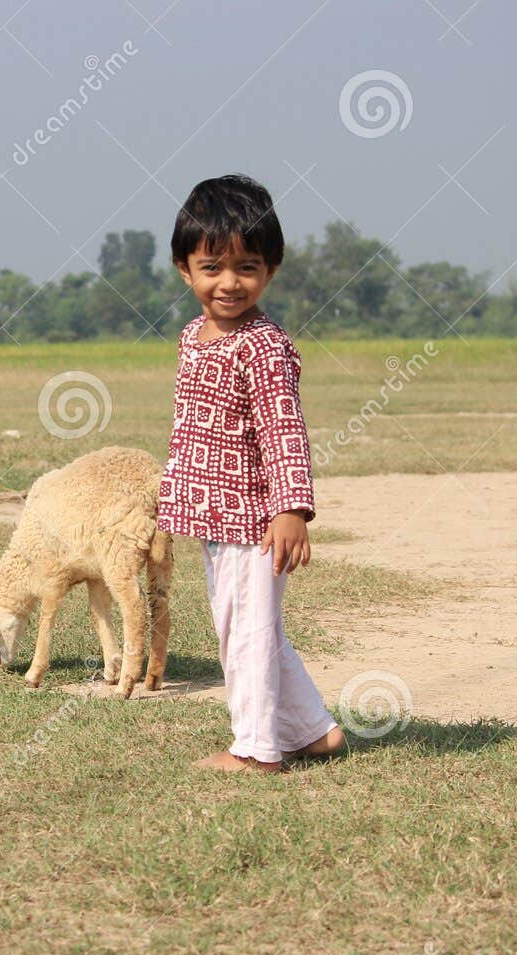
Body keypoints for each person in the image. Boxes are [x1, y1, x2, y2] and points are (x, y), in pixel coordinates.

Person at [155, 173, 347, 771]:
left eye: (248, 267)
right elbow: (192, 426)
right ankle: (314, 731)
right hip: (213, 515)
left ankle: (258, 749)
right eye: (212, 266)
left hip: (255, 518)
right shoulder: (193, 337)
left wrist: (291, 509)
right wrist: (174, 501)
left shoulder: (263, 346)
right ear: (185, 269)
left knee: (247, 634)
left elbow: (284, 430)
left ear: (272, 269)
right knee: (248, 624)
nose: (229, 283)